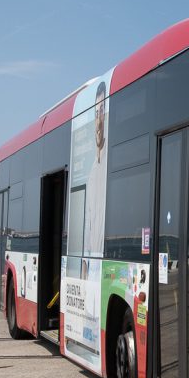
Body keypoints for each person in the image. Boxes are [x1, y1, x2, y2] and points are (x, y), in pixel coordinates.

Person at [83, 81, 108, 257]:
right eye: (96, 112)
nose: (98, 118)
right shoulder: (92, 171)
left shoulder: (110, 162)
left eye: (102, 111)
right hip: (92, 262)